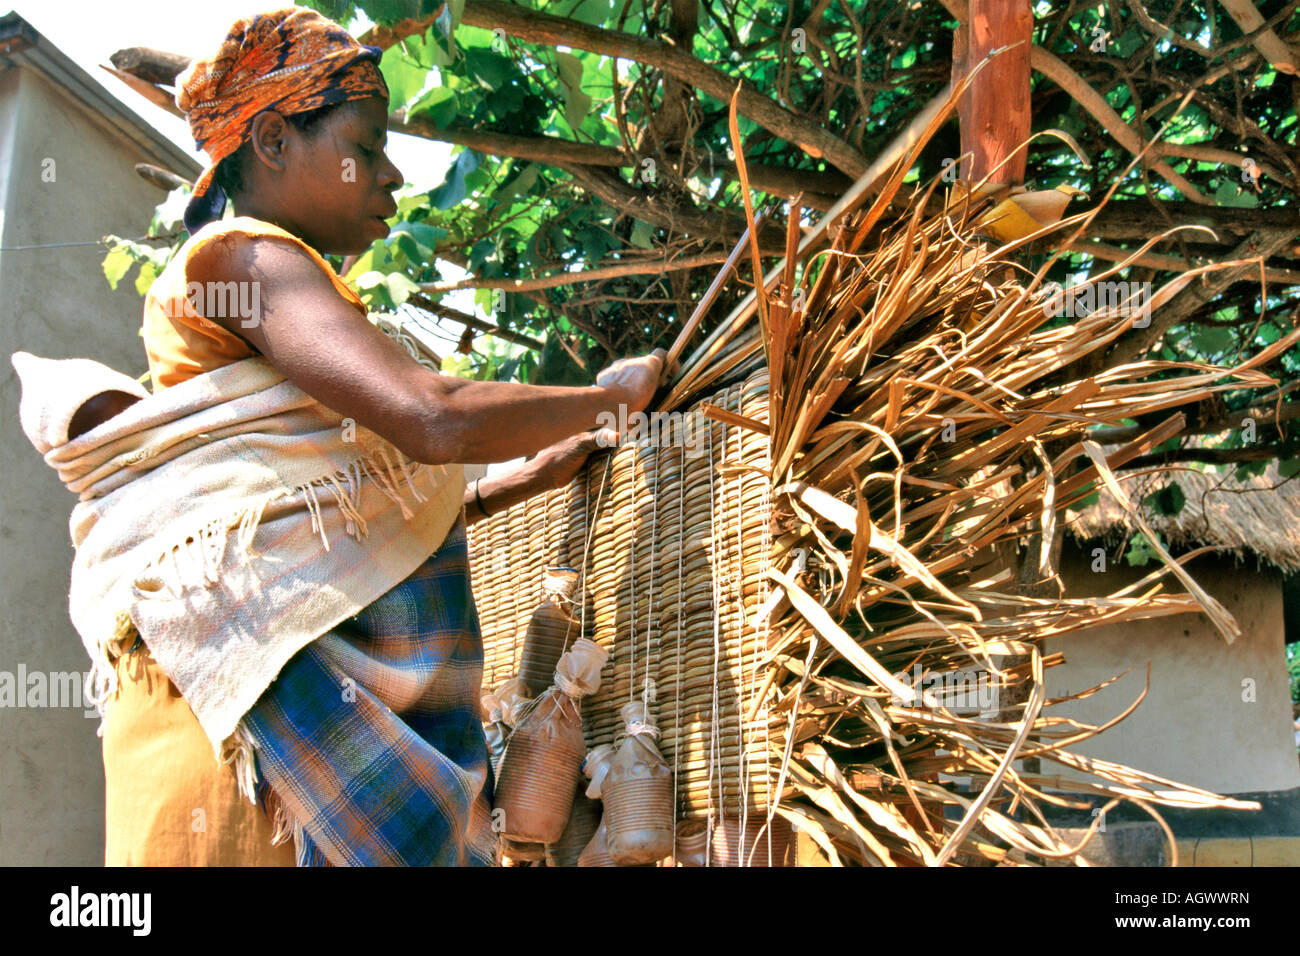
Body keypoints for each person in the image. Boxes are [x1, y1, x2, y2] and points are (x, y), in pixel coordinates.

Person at [100, 7, 663, 866]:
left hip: (247, 727)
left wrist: (525, 479)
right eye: (367, 143)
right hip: (257, 738)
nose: (394, 176)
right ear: (274, 142)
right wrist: (604, 399)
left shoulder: (276, 305)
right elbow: (428, 414)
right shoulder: (237, 261)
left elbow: (320, 515)